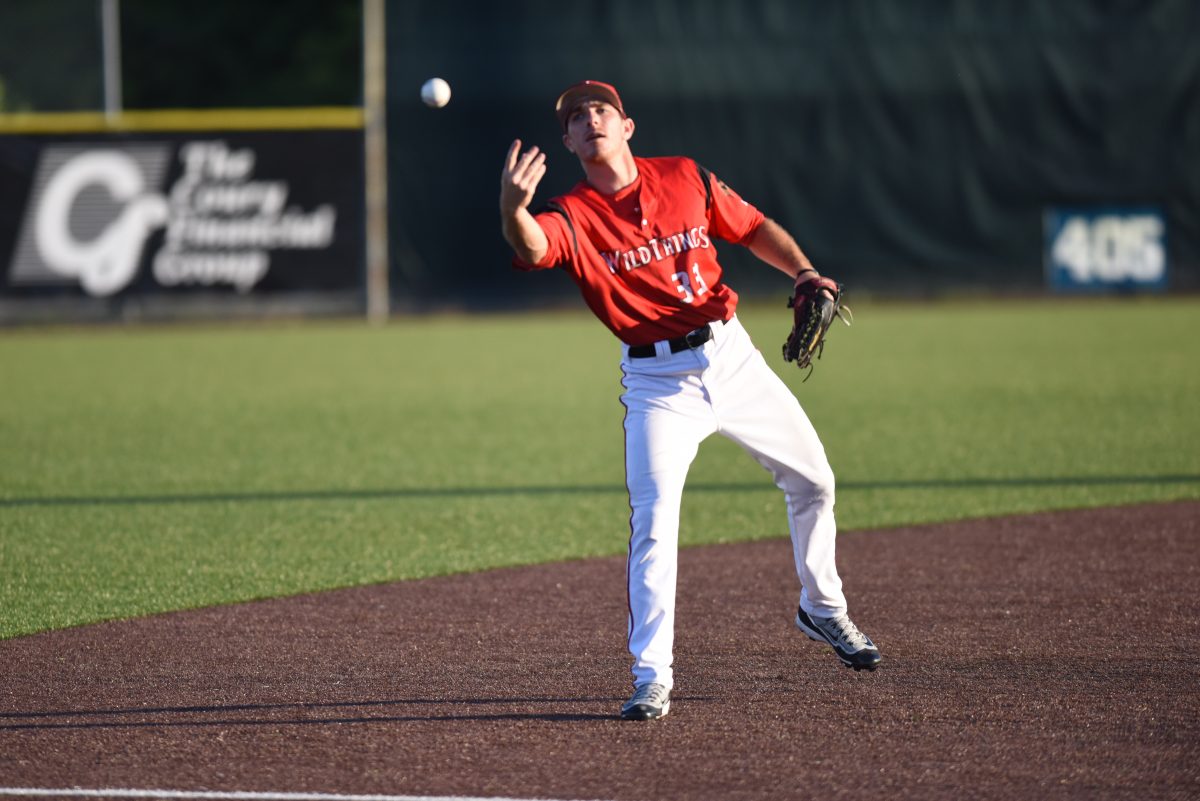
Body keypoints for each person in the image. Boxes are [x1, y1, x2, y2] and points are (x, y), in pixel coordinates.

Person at [499, 80, 880, 721]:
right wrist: (513, 209)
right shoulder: (571, 214)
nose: (590, 119)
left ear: (627, 126)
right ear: (567, 141)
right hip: (658, 386)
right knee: (655, 525)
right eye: (576, 117)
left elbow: (751, 227)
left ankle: (822, 608)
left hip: (731, 357)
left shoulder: (682, 176)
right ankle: (652, 676)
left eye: (601, 109)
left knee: (815, 479)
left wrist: (804, 272)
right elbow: (534, 246)